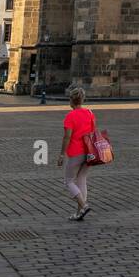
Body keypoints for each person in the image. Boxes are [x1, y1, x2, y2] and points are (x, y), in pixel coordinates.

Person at [58, 85, 96, 221]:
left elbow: (67, 137)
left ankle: (84, 206)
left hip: (75, 152)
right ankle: (79, 212)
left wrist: (62, 154)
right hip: (89, 152)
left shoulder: (70, 116)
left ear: (71, 100)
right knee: (81, 180)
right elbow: (92, 133)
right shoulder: (90, 113)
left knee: (68, 181)